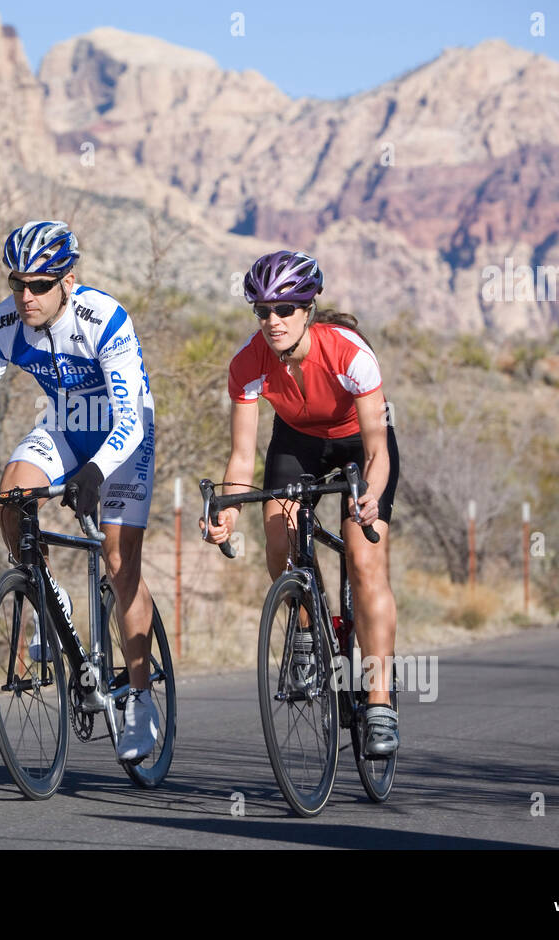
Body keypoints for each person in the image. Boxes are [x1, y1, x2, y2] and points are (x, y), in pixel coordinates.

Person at [0, 220, 161, 763]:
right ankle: (48, 590)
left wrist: (95, 473)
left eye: (41, 285)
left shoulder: (105, 319)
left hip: (124, 435)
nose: (26, 297)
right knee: (13, 494)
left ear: (68, 281)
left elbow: (131, 420)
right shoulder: (3, 325)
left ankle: (141, 699)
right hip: (64, 424)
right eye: (17, 283)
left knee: (119, 561)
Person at [200, 250, 401, 755]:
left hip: (359, 441)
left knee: (364, 559)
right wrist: (228, 509)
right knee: (278, 535)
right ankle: (310, 634)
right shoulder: (248, 363)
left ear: (308, 309)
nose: (272, 321)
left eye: (285, 309)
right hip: (297, 440)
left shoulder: (349, 353)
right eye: (263, 311)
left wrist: (370, 498)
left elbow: (378, 451)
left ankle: (379, 704)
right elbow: (242, 455)